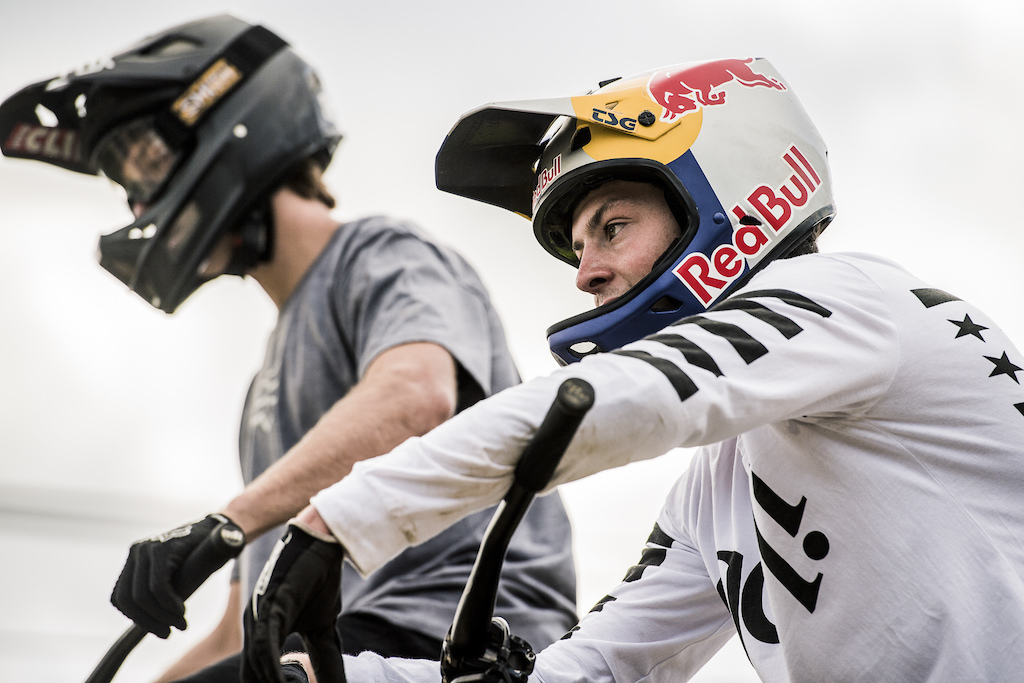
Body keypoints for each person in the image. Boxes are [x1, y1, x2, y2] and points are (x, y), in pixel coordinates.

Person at [240, 57, 1024, 682]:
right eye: (578, 250)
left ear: (730, 199)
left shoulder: (850, 297)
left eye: (613, 227)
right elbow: (597, 667)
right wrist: (339, 674)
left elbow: (615, 399)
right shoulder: (718, 488)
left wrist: (338, 523)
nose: (586, 273)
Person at [0, 14, 578, 683]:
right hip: (339, 641)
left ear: (235, 124)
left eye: (146, 162)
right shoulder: (264, 388)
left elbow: (417, 393)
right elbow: (237, 626)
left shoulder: (383, 252)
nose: (137, 203)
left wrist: (221, 523)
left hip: (459, 631)